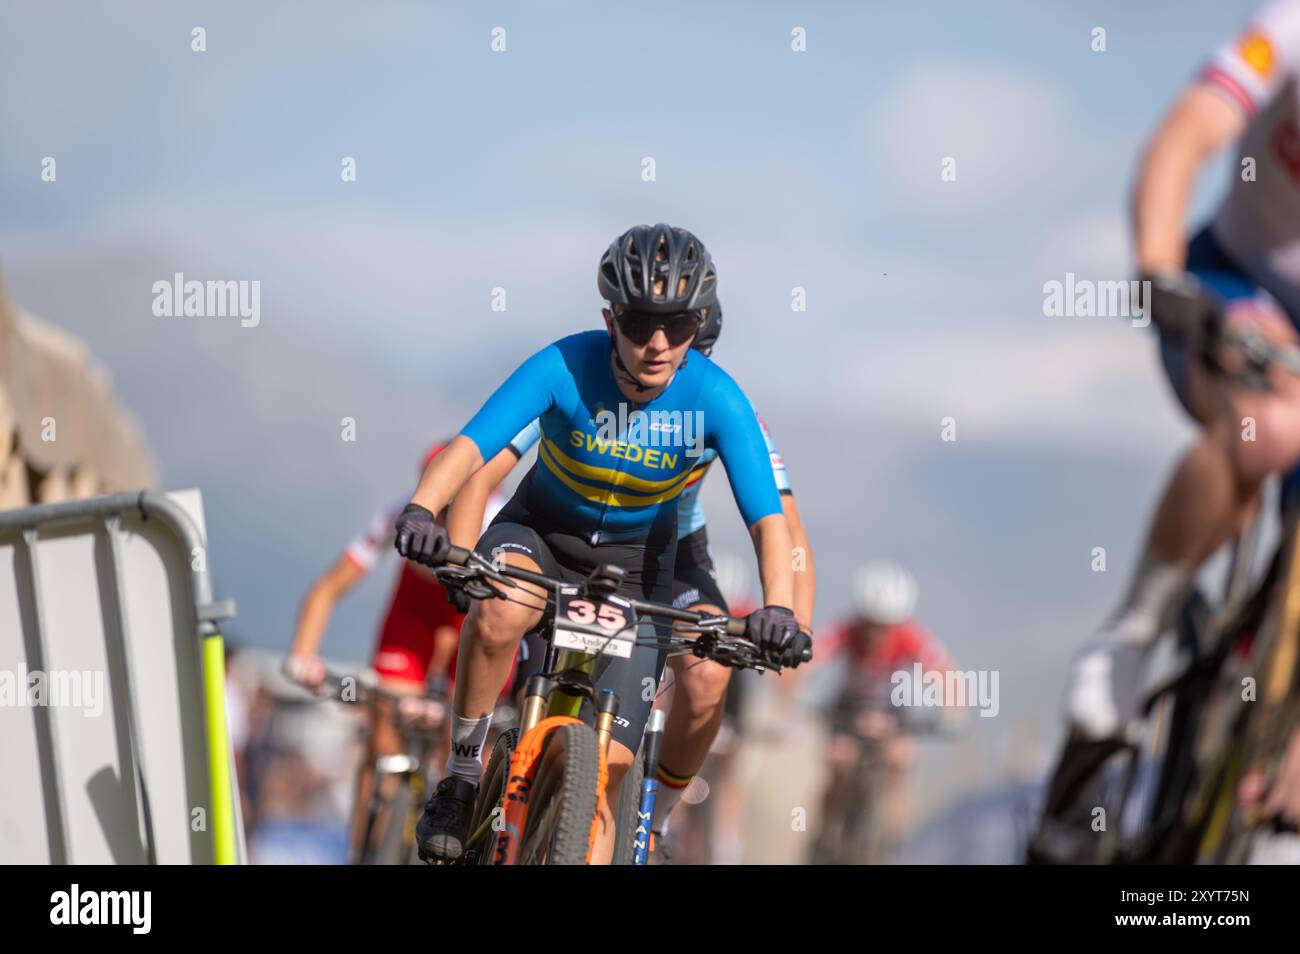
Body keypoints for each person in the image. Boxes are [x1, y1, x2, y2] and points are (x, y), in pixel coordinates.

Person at [395, 223, 812, 864]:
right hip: (540, 533)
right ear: (609, 317)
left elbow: (770, 520)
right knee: (500, 609)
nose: (657, 343)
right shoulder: (564, 362)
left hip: (639, 567)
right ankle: (463, 771)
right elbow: (472, 448)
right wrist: (425, 510)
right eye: (640, 322)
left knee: (611, 779)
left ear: (698, 324)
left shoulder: (717, 396)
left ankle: (627, 822)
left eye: (676, 327)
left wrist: (779, 609)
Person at [1061, 0, 1300, 829]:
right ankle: (1133, 634)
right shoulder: (1290, 30)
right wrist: (1160, 272)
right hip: (1238, 286)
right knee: (1269, 428)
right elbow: (1182, 141)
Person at [284, 440, 521, 859]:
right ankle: (366, 846)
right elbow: (328, 588)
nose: (446, 511)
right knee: (383, 735)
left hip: (467, 618)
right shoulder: (402, 514)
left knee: (468, 740)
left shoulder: (498, 522)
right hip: (410, 623)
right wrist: (302, 655)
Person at [809, 562, 951, 863]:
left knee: (900, 759)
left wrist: (953, 714)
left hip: (892, 711)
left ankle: (890, 838)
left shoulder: (911, 636)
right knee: (838, 759)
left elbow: (944, 672)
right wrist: (790, 698)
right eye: (872, 624)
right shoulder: (846, 630)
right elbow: (812, 656)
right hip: (847, 709)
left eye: (887, 626)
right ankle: (824, 831)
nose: (878, 633)